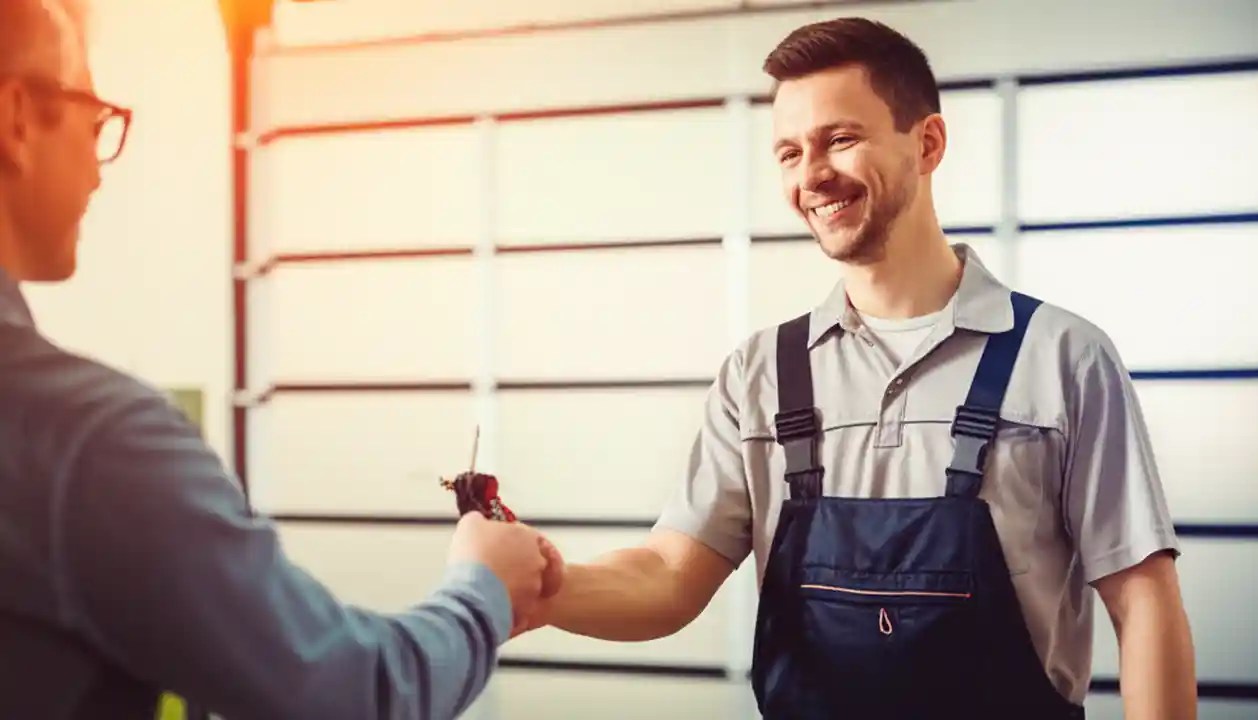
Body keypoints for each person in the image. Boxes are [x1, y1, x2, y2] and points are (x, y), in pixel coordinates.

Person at [522, 17, 1198, 719]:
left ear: (928, 143)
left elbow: (1143, 602)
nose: (812, 175)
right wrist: (544, 588)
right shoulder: (761, 375)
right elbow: (668, 577)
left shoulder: (1062, 358)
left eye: (840, 140)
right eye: (789, 152)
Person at [0, 2, 563, 718]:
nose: (99, 169)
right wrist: (482, 588)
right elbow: (351, 695)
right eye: (94, 118)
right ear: (18, 120)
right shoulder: (89, 444)